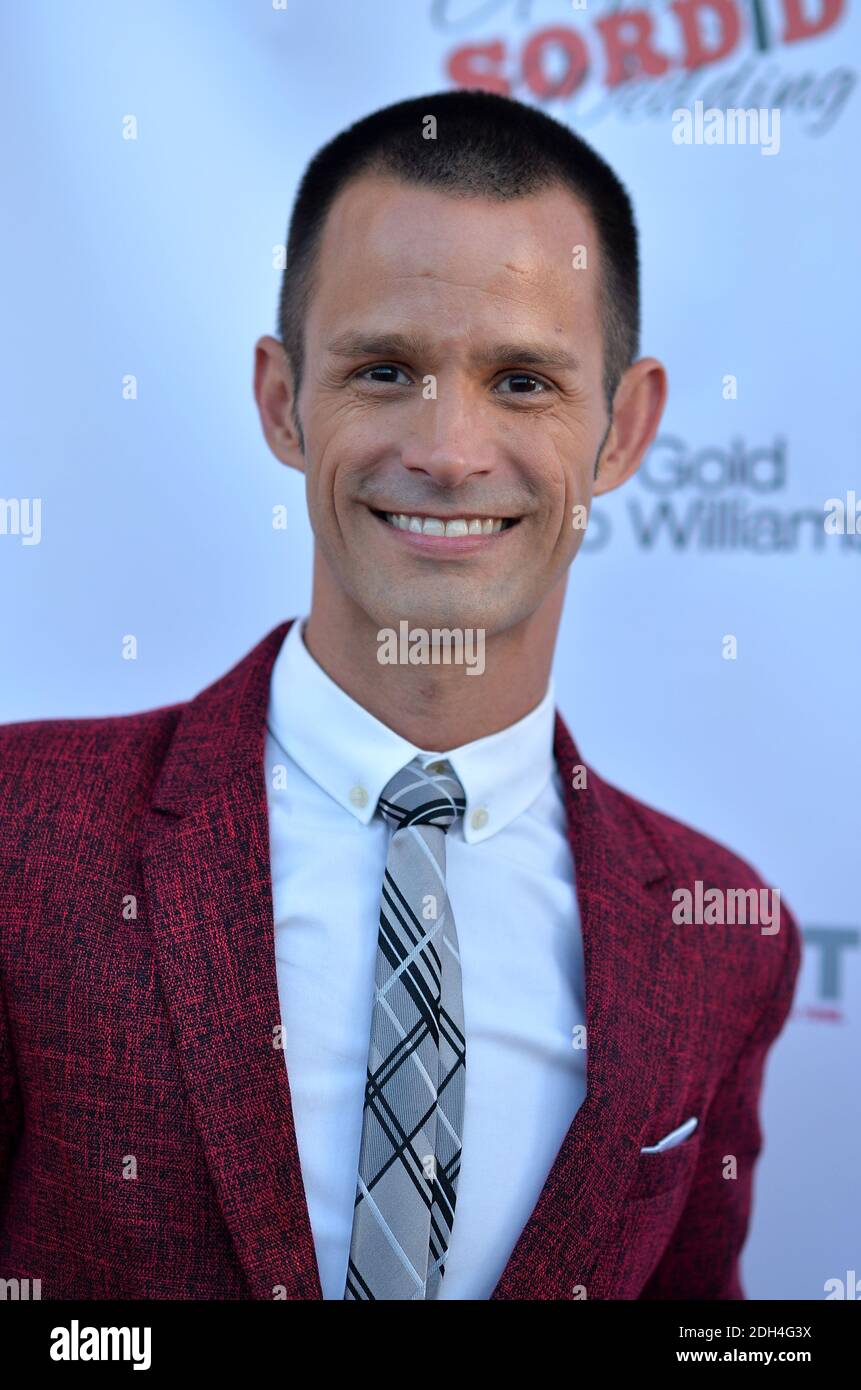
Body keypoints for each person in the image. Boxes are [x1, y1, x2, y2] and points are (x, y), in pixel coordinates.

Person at [0, 90, 800, 1301]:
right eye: (386, 368)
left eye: (524, 381)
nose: (449, 449)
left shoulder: (719, 932)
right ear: (283, 400)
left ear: (624, 430)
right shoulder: (19, 830)